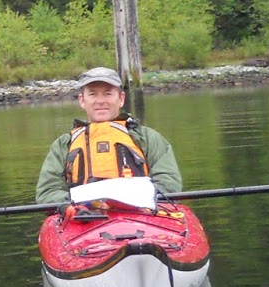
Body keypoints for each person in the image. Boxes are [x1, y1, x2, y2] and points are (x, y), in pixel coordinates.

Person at [34, 66, 182, 205]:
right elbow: (48, 192)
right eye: (92, 94)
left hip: (140, 215)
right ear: (82, 100)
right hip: (84, 218)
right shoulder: (64, 145)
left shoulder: (148, 138)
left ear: (121, 98)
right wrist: (76, 205)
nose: (100, 101)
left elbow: (168, 183)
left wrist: (136, 199)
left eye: (108, 93)